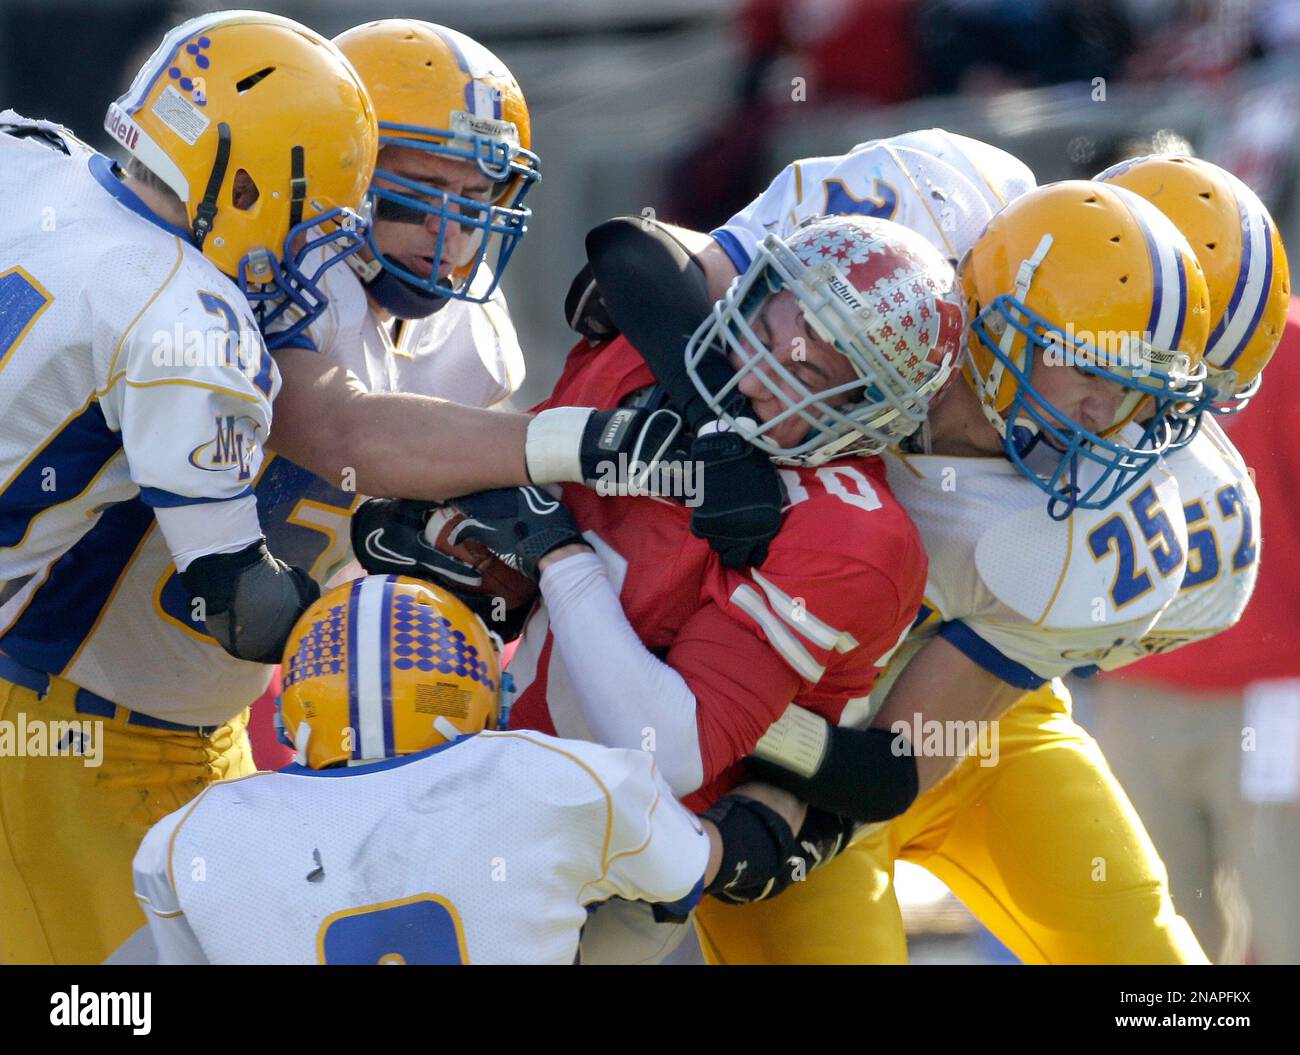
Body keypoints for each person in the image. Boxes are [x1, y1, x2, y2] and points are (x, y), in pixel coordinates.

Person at [599, 140, 1281, 965]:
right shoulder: (923, 225)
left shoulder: (1132, 518)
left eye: (1173, 396)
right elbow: (652, 265)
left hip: (937, 731)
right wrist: (714, 445)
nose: (1127, 422)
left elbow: (903, 756)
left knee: (1151, 970)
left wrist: (790, 795)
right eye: (1100, 364)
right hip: (763, 690)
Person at [357, 211, 968, 959]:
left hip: (614, 848)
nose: (751, 374)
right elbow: (628, 247)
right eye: (767, 330)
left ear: (866, 416)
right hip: (484, 742)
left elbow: (665, 746)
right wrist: (484, 554)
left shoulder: (848, 533)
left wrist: (557, 556)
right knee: (367, 629)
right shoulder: (644, 364)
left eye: (805, 374)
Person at [0, 9, 377, 965]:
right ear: (245, 179)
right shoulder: (187, 319)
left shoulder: (27, 152)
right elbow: (235, 600)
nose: (309, 247)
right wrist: (374, 586)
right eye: (310, 214)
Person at [128, 576, 809, 965]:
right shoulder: (560, 778)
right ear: (476, 684)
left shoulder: (193, 834)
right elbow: (702, 865)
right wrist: (793, 789)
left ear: (297, 706)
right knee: (651, 893)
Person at [1085, 155, 1298, 964]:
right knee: (1160, 933)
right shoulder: (1088, 347)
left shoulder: (1289, 349)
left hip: (1273, 690)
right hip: (1134, 677)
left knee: (1285, 920)